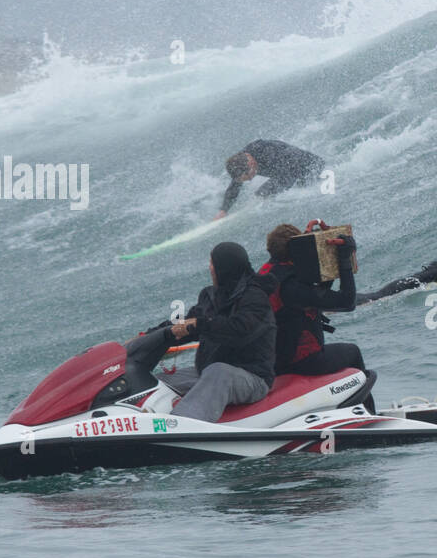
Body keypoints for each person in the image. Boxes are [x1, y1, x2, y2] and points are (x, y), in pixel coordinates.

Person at [124, 242, 276, 422]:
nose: (210, 268)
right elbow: (186, 324)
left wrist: (200, 324)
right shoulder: (211, 296)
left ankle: (177, 426)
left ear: (224, 267)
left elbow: (238, 330)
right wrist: (148, 336)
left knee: (218, 372)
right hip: (205, 370)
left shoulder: (255, 297)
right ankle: (132, 421)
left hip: (252, 377)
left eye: (213, 263)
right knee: (155, 384)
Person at [257, 223, 368, 384]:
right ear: (295, 249)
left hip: (273, 360)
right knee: (353, 352)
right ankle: (365, 409)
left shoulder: (266, 273)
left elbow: (314, 295)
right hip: (299, 362)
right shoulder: (291, 286)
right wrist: (344, 260)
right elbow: (347, 302)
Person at [218, 140, 324, 217]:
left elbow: (287, 177)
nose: (250, 179)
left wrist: (260, 196)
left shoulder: (268, 153)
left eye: (250, 176)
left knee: (262, 193)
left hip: (312, 169)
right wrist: (224, 210)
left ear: (251, 163)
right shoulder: (241, 161)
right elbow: (235, 184)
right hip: (291, 174)